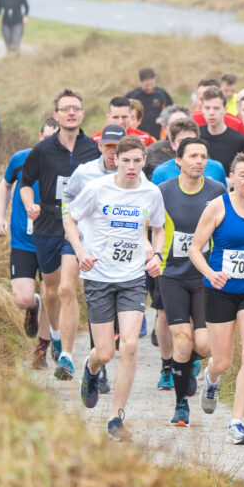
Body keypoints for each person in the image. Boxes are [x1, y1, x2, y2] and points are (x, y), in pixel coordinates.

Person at [67, 136, 165, 441]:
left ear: (144, 160)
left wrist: (157, 255)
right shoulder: (98, 189)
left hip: (132, 277)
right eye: (126, 161)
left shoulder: (151, 192)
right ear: (116, 161)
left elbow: (159, 228)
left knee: (131, 346)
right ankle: (91, 366)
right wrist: (81, 252)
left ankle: (115, 418)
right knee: (106, 352)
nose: (132, 167)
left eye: (138, 161)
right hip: (98, 276)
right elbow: (70, 220)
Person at [188, 150, 244, 445]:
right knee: (223, 361)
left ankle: (237, 422)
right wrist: (210, 274)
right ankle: (211, 379)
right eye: (243, 175)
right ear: (232, 178)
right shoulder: (217, 207)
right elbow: (194, 248)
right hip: (220, 290)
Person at [19, 89, 100, 384]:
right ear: (56, 115)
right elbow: (25, 183)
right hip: (47, 223)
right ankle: (54, 336)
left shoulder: (93, 149)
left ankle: (66, 355)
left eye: (76, 108)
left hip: (76, 226)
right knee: (51, 290)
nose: (71, 113)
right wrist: (30, 204)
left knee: (67, 289)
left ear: (82, 113)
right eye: (65, 109)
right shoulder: (42, 150)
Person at [156, 136, 227, 426]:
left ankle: (187, 366)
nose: (199, 161)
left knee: (205, 345)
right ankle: (181, 404)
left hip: (205, 276)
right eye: (194, 156)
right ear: (179, 161)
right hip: (171, 274)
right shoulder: (162, 191)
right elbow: (152, 228)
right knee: (182, 341)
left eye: (203, 156)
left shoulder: (217, 190)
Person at [55, 122, 128, 386]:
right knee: (65, 289)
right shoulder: (84, 172)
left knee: (102, 303)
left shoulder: (130, 175)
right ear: (100, 146)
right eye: (108, 147)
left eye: (117, 148)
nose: (112, 152)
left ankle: (100, 364)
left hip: (108, 247)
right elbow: (67, 197)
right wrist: (69, 224)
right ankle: (66, 355)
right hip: (77, 240)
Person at [0, 117, 58, 366]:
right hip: (22, 240)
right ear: (39, 136)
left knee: (50, 293)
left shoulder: (66, 163)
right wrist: (0, 218)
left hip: (52, 240)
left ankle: (41, 350)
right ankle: (34, 306)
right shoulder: (20, 158)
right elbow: (5, 184)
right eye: (48, 137)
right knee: (23, 299)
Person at [151, 117, 228, 185]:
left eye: (191, 140)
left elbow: (224, 198)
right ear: (173, 145)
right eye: (182, 141)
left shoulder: (216, 168)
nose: (187, 145)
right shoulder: (161, 172)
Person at [198, 86, 244, 172]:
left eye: (216, 108)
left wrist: (232, 181)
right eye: (207, 108)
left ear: (225, 109)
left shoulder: (239, 140)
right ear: (202, 110)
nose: (211, 113)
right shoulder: (196, 137)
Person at [126, 67, 174, 138]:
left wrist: (163, 117)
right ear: (140, 83)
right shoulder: (133, 96)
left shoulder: (161, 93)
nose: (150, 87)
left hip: (158, 132)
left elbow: (171, 108)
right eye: (147, 85)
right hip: (139, 132)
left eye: (152, 84)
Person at [91, 96, 156, 148]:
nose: (120, 122)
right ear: (108, 118)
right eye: (115, 117)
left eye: (124, 117)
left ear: (131, 117)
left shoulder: (146, 139)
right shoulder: (96, 140)